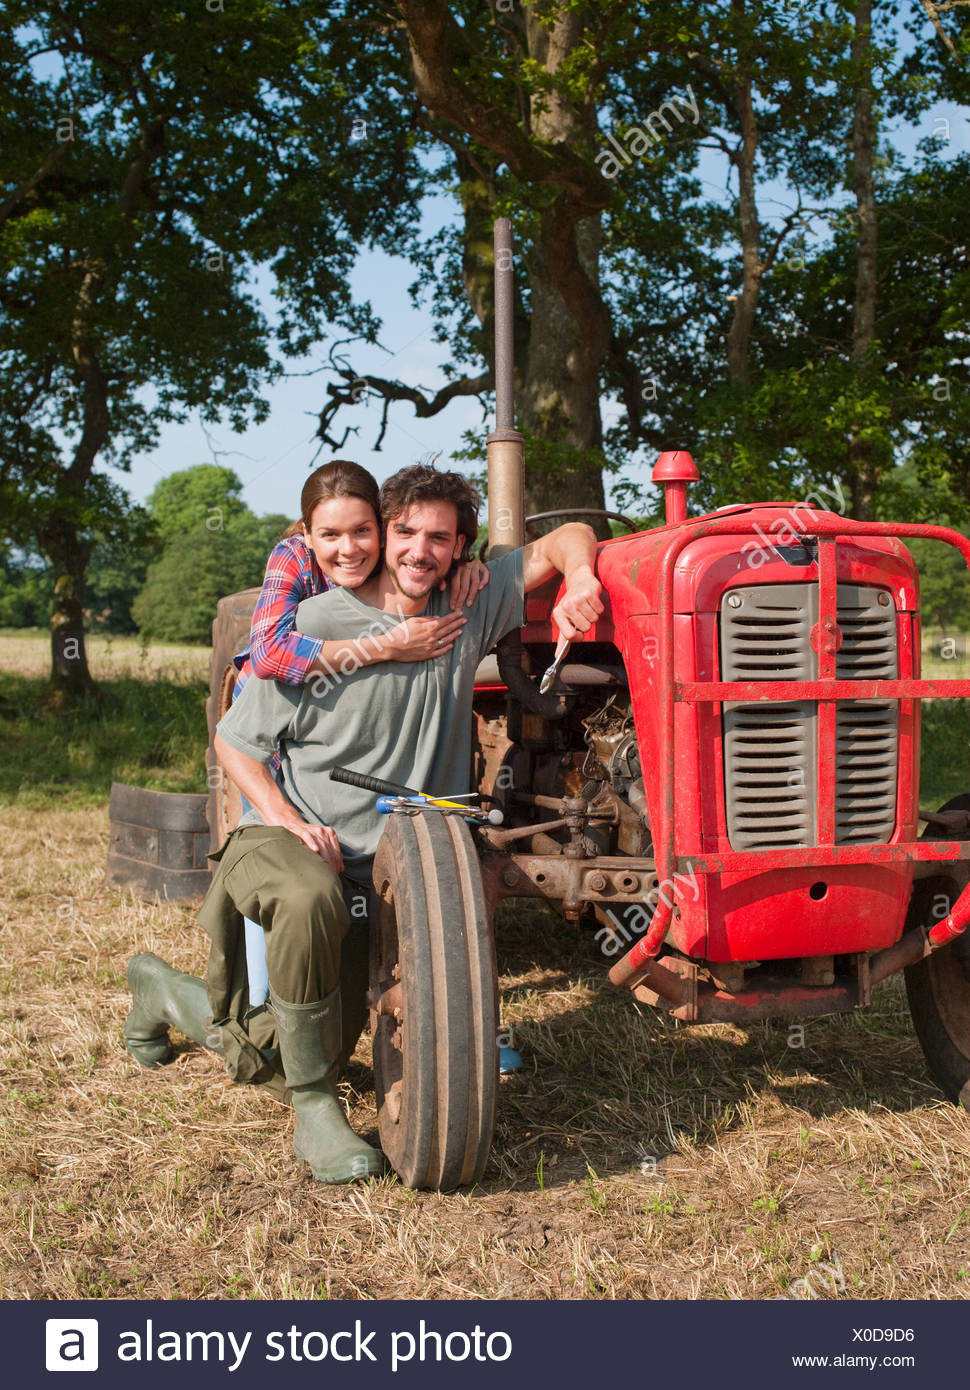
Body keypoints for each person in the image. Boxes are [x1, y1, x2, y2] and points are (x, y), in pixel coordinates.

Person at [125, 463, 603, 1185]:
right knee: (310, 899)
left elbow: (569, 535)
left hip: (390, 864)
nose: (418, 550)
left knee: (266, 1057)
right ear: (385, 536)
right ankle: (316, 1112)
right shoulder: (317, 626)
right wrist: (285, 820)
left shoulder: (467, 606)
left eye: (439, 538)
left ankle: (163, 991)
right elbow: (234, 741)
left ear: (461, 548)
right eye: (405, 532)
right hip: (290, 838)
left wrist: (584, 580)